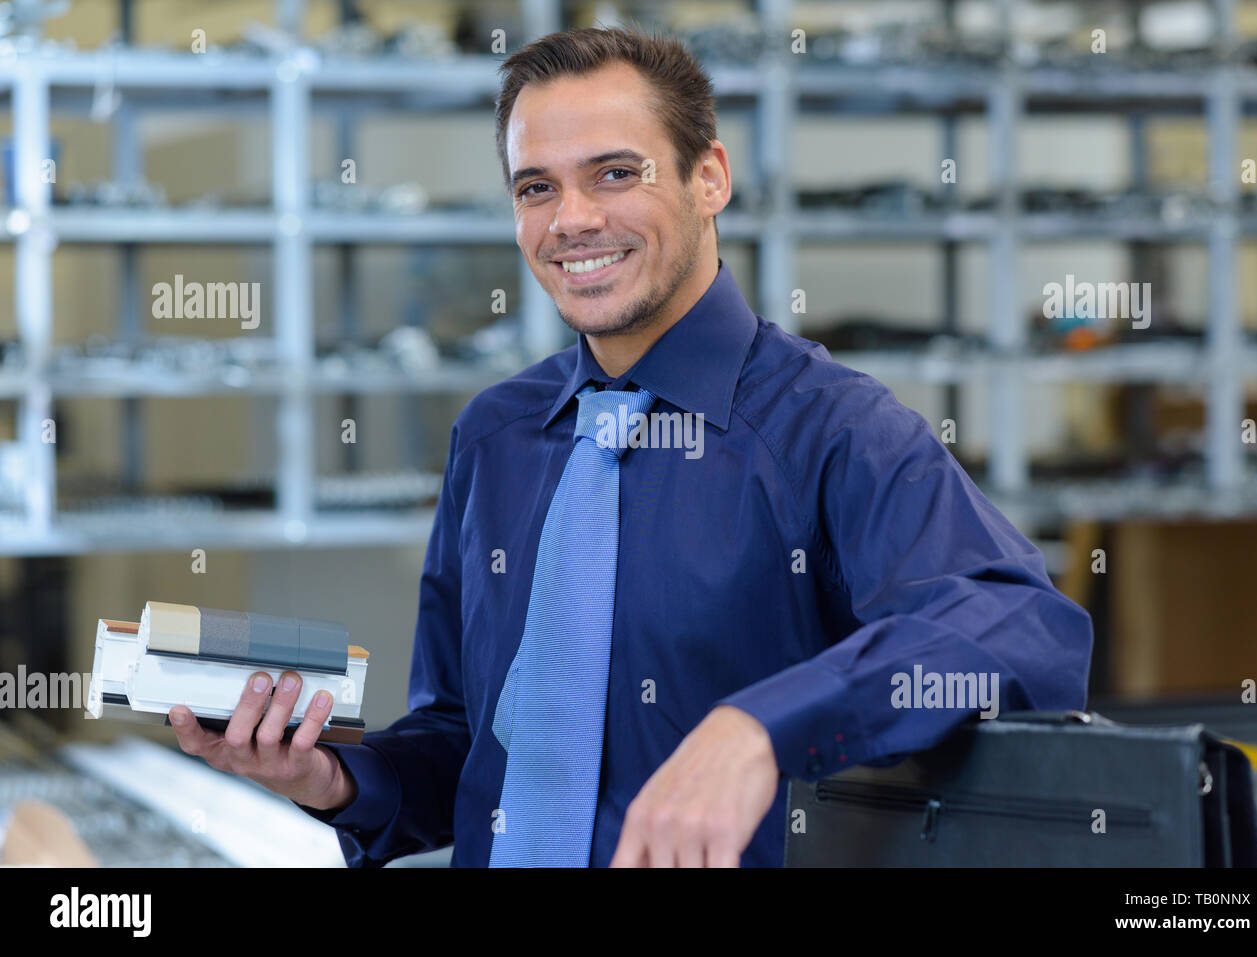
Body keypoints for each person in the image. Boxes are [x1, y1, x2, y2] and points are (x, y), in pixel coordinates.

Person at [168, 26, 1092, 868]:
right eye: (537, 187)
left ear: (709, 178)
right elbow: (469, 740)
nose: (571, 219)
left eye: (615, 173)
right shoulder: (497, 437)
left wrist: (758, 729)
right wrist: (336, 780)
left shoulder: (832, 428)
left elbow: (1022, 627)